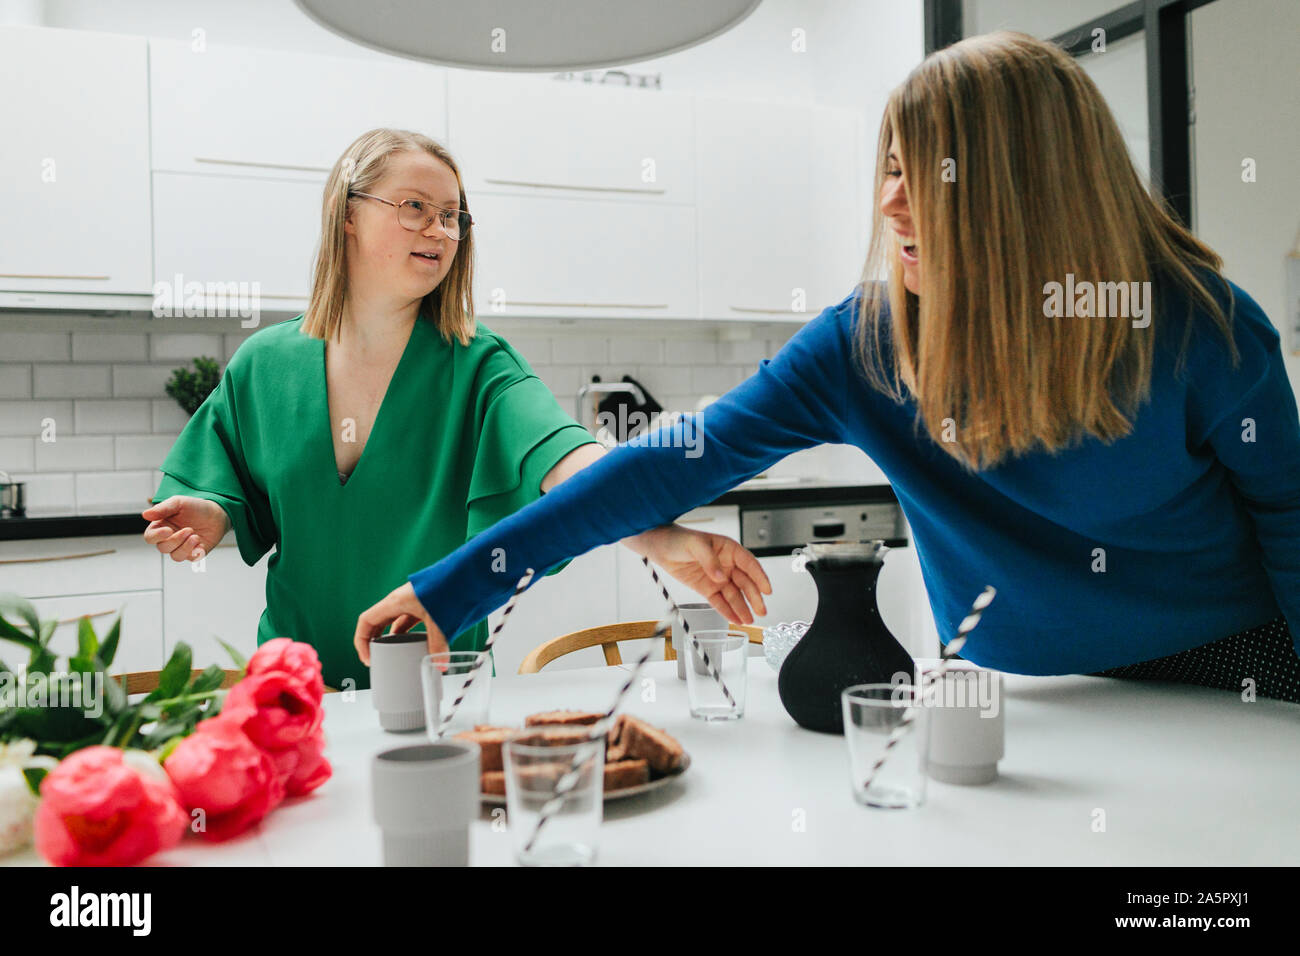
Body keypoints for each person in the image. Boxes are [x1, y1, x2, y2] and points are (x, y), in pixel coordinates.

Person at [354, 33, 1300, 703]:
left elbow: (1293, 519)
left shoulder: (1197, 329)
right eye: (886, 167)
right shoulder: (867, 346)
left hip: (1235, 665)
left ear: (1023, 188)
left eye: (923, 173)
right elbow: (665, 464)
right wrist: (454, 591)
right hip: (1021, 684)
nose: (890, 203)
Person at [142, 127, 770, 691]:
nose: (440, 230)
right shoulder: (263, 365)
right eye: (415, 207)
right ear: (348, 215)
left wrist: (660, 540)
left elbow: (567, 464)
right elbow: (231, 488)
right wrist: (212, 515)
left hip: (441, 690)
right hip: (296, 693)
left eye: (452, 216)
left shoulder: (480, 365)